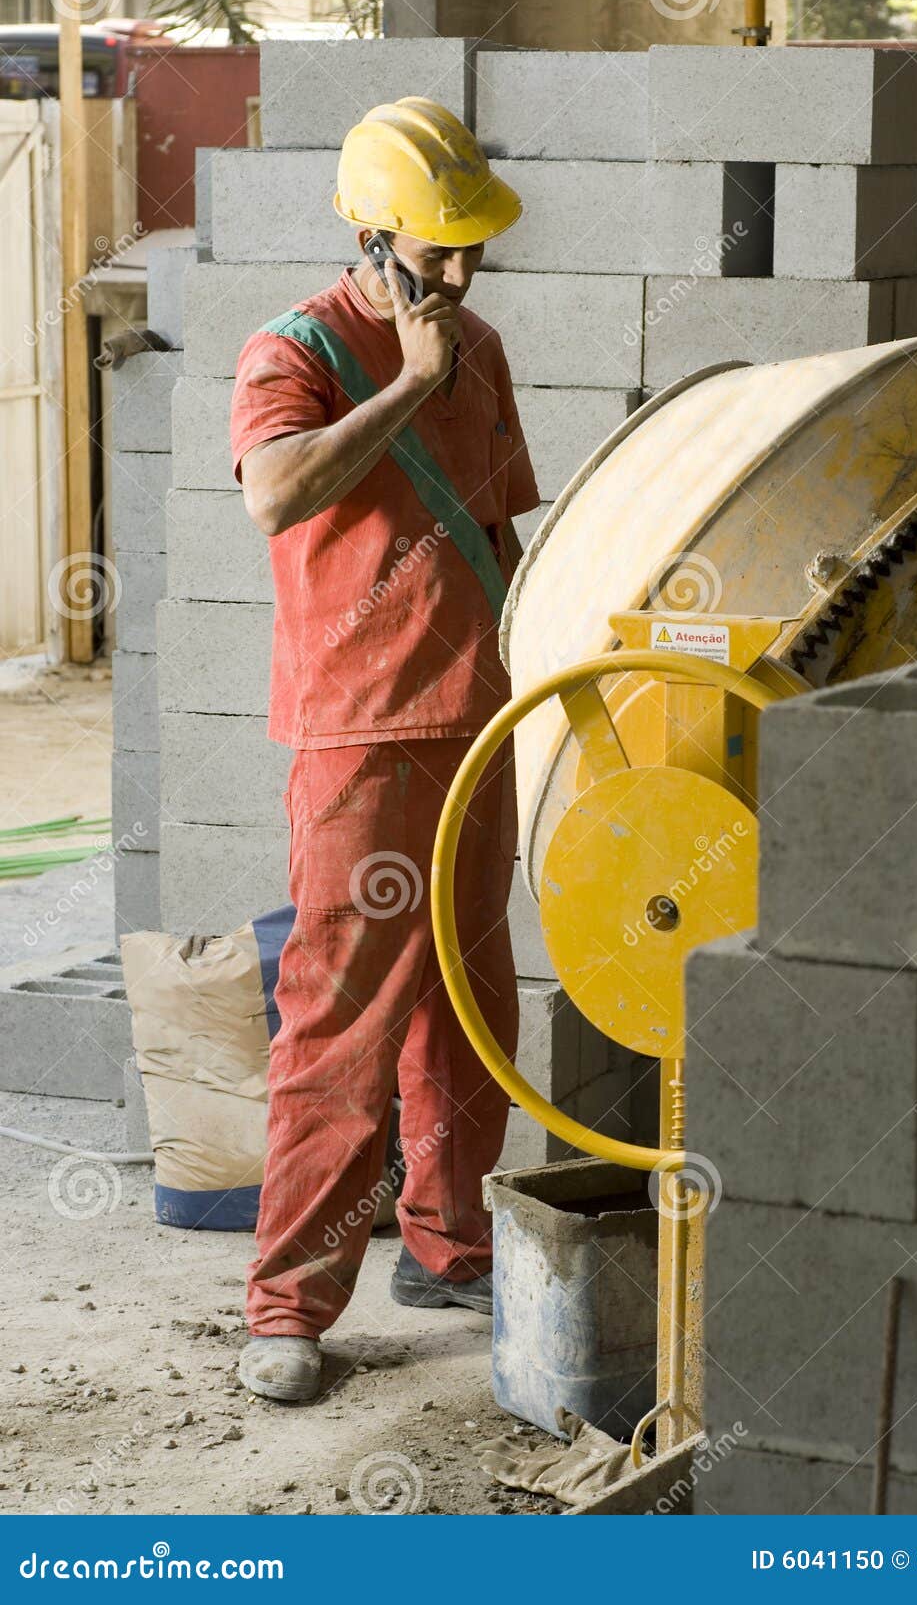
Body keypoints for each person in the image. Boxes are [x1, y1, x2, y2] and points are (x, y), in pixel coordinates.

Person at [228, 97, 537, 1403]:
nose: (457, 277)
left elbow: (505, 529)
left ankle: (449, 1243)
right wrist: (409, 382)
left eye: (472, 252)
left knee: (471, 1008)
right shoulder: (292, 350)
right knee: (341, 1023)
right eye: (433, 252)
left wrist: (549, 670)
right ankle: (287, 1306)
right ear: (370, 233)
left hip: (479, 719)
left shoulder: (487, 347)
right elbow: (277, 490)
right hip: (361, 737)